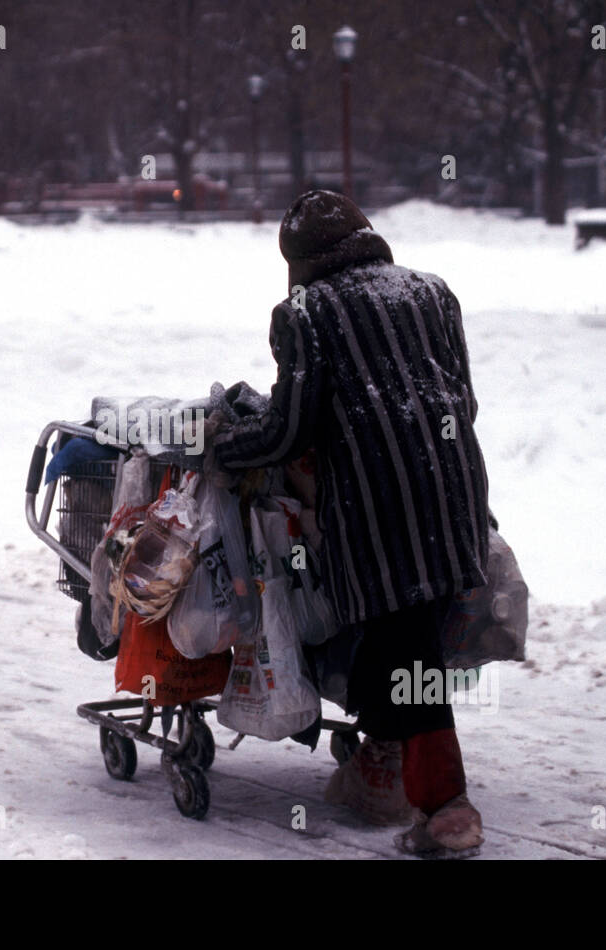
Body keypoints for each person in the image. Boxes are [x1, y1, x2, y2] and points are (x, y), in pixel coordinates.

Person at [212, 189, 491, 856]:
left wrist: (226, 447)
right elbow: (464, 398)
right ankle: (386, 761)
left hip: (379, 505)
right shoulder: (431, 291)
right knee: (405, 641)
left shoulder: (307, 311)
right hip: (454, 491)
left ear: (298, 262)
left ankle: (447, 810)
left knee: (407, 646)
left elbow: (291, 426)